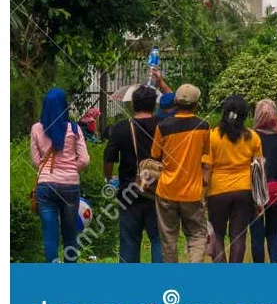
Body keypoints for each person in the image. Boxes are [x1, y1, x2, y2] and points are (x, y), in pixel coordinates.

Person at [151, 83, 211, 264]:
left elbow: (155, 156)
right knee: (197, 234)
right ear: (196, 104)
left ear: (176, 102)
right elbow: (205, 158)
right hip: (192, 192)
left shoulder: (163, 126)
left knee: (169, 239)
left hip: (167, 190)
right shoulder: (203, 126)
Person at [103, 83, 162, 263]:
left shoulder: (121, 128)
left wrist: (109, 178)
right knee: (159, 240)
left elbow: (108, 157)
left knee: (129, 242)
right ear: (154, 105)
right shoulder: (163, 126)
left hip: (129, 192)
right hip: (158, 191)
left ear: (133, 104)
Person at [31, 89, 89, 263]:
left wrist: (49, 170)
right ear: (65, 106)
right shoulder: (74, 128)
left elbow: (36, 161)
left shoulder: (36, 128)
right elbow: (85, 160)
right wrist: (71, 169)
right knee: (70, 234)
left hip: (45, 186)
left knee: (50, 236)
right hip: (70, 187)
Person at [207, 94, 262, 263]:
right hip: (244, 190)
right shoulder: (253, 137)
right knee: (238, 236)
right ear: (245, 115)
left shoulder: (212, 136)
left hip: (217, 191)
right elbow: (258, 169)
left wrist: (202, 192)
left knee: (217, 234)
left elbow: (207, 167)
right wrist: (259, 199)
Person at [250, 98, 277, 264]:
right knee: (274, 232)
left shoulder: (251, 137)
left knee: (256, 233)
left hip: (255, 192)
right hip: (276, 191)